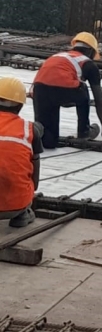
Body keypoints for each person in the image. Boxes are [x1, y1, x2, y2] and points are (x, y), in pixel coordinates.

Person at [32, 32, 102, 150]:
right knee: (83, 88)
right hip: (63, 90)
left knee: (49, 141)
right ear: (91, 51)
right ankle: (84, 132)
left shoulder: (58, 56)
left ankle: (34, 131)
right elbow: (99, 101)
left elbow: (51, 81)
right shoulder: (88, 64)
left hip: (39, 89)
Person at [0, 76, 42, 229]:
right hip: (14, 206)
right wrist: (33, 191)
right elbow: (35, 171)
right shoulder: (29, 129)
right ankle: (22, 215)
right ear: (20, 105)